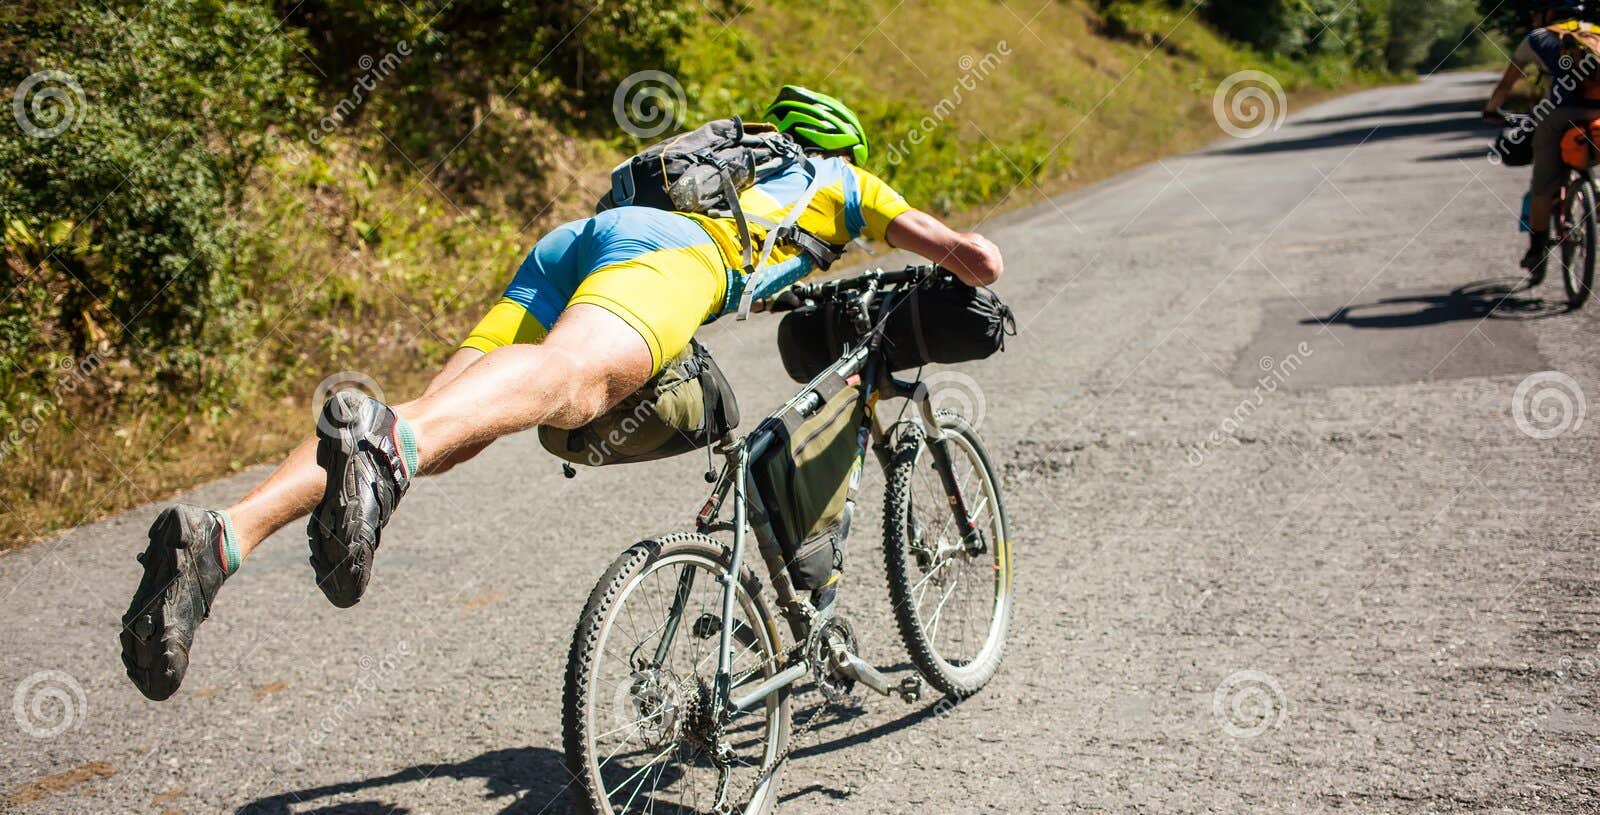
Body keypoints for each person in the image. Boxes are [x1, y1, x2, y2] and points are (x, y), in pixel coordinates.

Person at [120, 85, 1005, 701]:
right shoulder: (843, 179)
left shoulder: (729, 149)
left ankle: (223, 538)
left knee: (445, 429)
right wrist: (949, 248)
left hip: (577, 240)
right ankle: (380, 451)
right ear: (841, 145)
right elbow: (974, 261)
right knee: (572, 384)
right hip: (672, 258)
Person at [1484, 2, 1600, 280]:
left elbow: (1505, 85)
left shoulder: (1538, 38)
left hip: (1557, 114)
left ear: (1549, 14)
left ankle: (1537, 251)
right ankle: (1591, 190)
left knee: (1543, 187)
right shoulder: (1596, 31)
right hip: (1598, 112)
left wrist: (1491, 110)